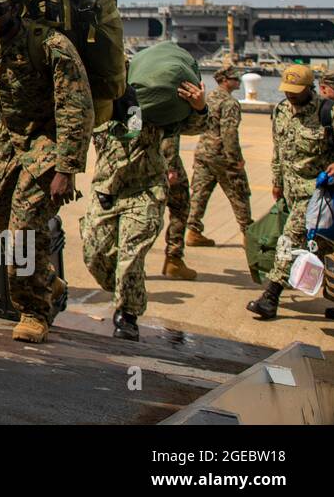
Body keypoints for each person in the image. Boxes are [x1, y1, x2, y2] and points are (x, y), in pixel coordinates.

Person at [0, 0, 92, 344]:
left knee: (22, 236)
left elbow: (76, 109)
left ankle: (34, 312)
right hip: (4, 148)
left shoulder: (51, 45)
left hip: (45, 148)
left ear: (16, 8)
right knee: (3, 232)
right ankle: (48, 280)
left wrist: (66, 169)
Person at [83, 84, 207, 341]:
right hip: (106, 190)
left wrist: (199, 107)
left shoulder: (150, 106)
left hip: (145, 190)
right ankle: (125, 289)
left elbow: (191, 126)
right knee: (94, 256)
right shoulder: (98, 105)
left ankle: (127, 315)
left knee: (131, 256)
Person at [247, 64, 334, 319]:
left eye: (296, 91)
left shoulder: (327, 112)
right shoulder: (281, 111)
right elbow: (279, 150)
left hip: (319, 194)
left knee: (289, 240)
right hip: (291, 192)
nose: (291, 95)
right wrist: (276, 182)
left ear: (310, 88)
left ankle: (270, 296)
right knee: (323, 246)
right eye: (287, 90)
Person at [185, 63, 252, 247]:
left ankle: (193, 231)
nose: (238, 81)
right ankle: (249, 234)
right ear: (224, 80)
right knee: (239, 193)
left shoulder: (209, 98)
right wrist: (235, 160)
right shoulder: (229, 103)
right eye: (234, 78)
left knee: (200, 193)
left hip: (203, 152)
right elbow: (229, 133)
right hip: (222, 155)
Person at [159, 134, 197, 279]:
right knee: (180, 207)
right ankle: (173, 260)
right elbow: (170, 129)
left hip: (138, 159)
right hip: (161, 161)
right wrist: (171, 166)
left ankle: (132, 262)